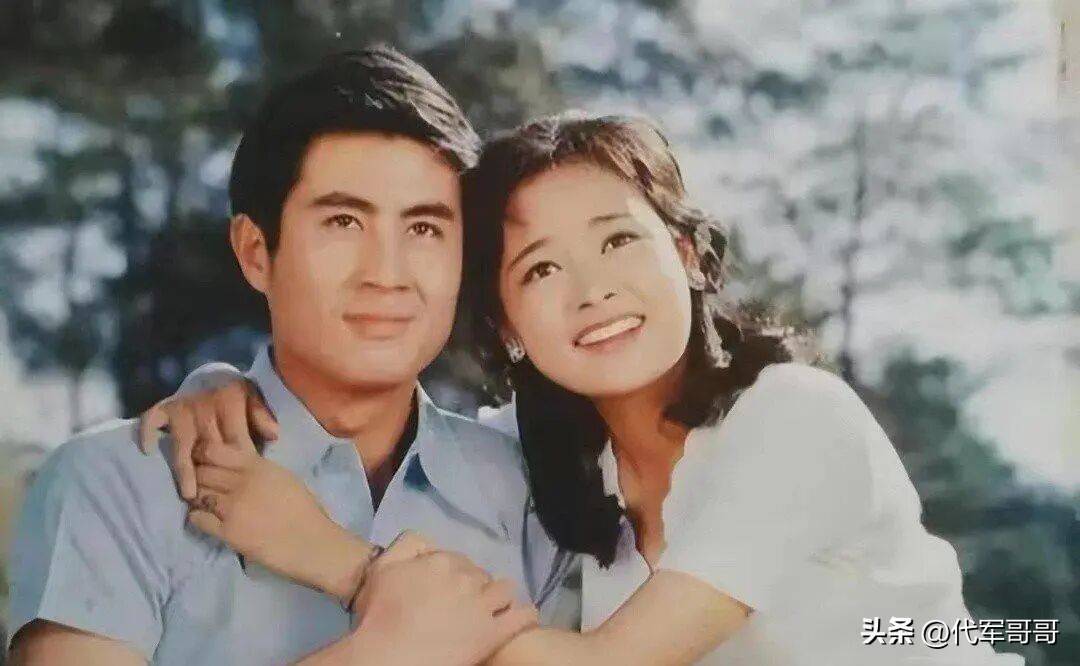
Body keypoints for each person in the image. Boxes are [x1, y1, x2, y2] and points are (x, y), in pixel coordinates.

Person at [154, 113, 1024, 665]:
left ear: (688, 256)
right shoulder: (543, 459)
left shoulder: (793, 417)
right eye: (540, 269)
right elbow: (400, 425)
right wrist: (221, 387)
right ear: (506, 327)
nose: (592, 290)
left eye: (618, 242)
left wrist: (333, 558)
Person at [6, 46, 564, 666]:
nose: (387, 273)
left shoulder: (532, 492)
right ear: (255, 252)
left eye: (425, 229)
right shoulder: (117, 483)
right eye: (344, 222)